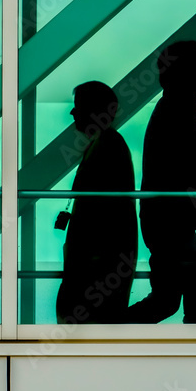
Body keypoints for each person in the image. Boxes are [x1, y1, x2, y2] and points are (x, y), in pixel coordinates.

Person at [124, 40, 196, 324]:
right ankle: (105, 335)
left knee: (167, 299)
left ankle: (106, 335)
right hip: (172, 224)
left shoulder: (173, 110)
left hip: (165, 221)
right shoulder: (179, 112)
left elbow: (186, 167)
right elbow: (195, 172)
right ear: (185, 71)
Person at [56, 81, 138, 324]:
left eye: (78, 106)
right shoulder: (107, 144)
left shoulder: (106, 146)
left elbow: (102, 212)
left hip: (95, 266)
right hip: (99, 265)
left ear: (93, 110)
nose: (73, 112)